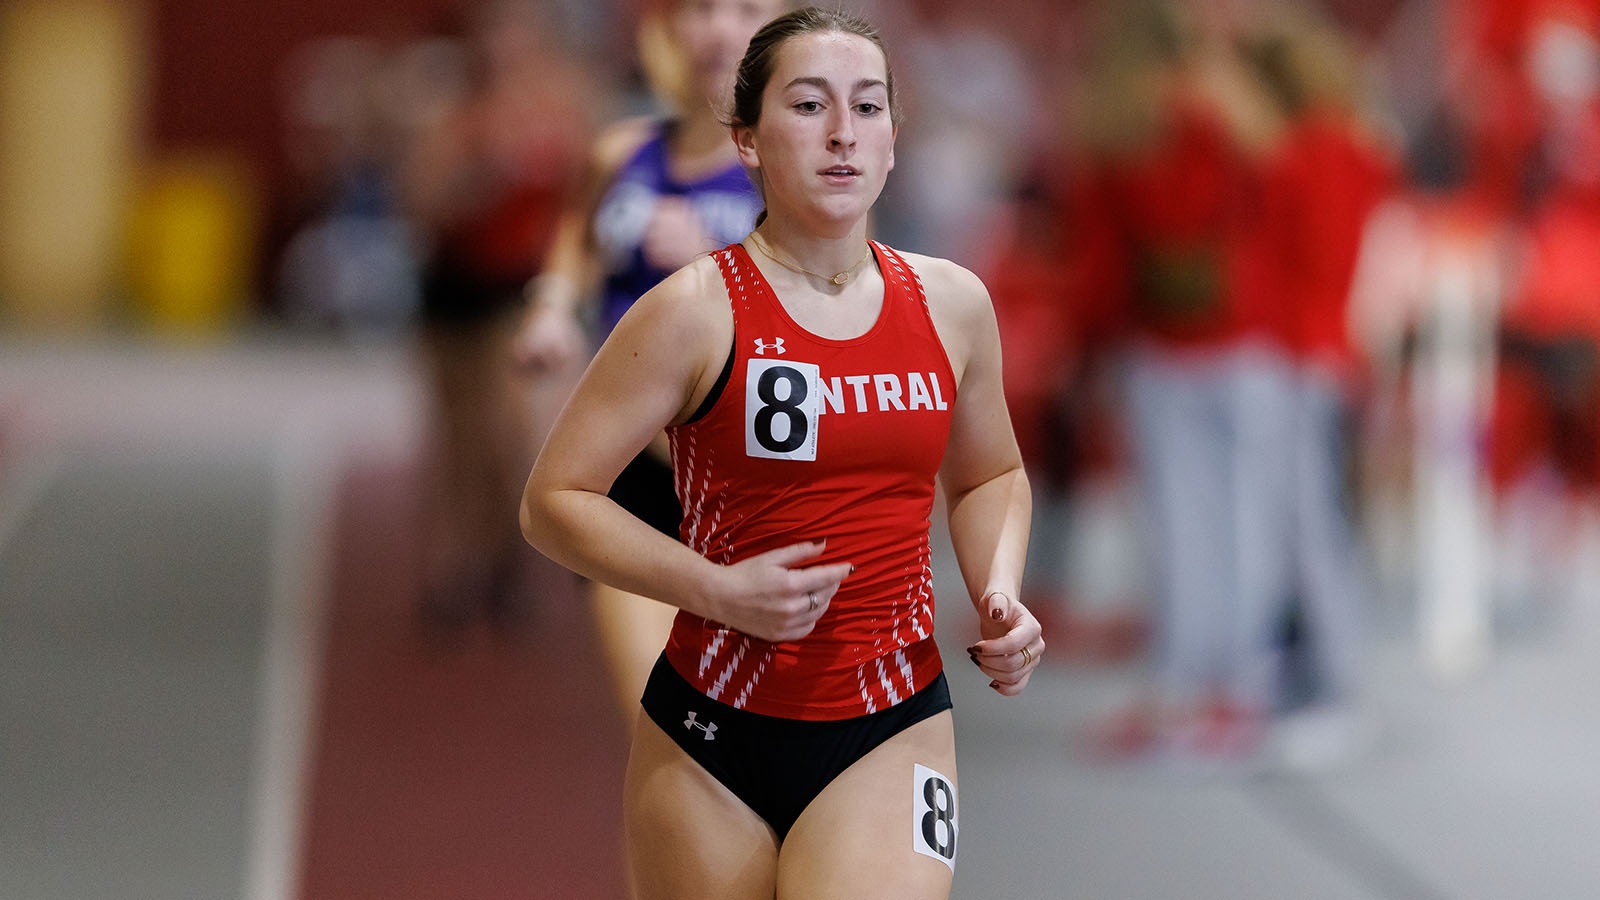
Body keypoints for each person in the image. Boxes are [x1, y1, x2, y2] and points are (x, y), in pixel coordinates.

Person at [519, 7, 1042, 896]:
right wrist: (716, 589)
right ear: (748, 141)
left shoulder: (953, 304)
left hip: (891, 718)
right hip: (710, 733)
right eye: (808, 106)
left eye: (868, 107)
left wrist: (999, 592)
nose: (843, 133)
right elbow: (553, 500)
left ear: (893, 139)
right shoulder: (692, 311)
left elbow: (991, 471)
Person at [513, 0, 783, 717]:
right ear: (667, 31)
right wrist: (550, 309)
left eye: (746, 9)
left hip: (746, 483)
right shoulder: (622, 151)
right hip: (631, 472)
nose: (719, 30)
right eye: (700, 10)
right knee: (656, 716)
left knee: (738, 731)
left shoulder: (796, 169)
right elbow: (576, 237)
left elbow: (845, 303)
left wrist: (717, 264)